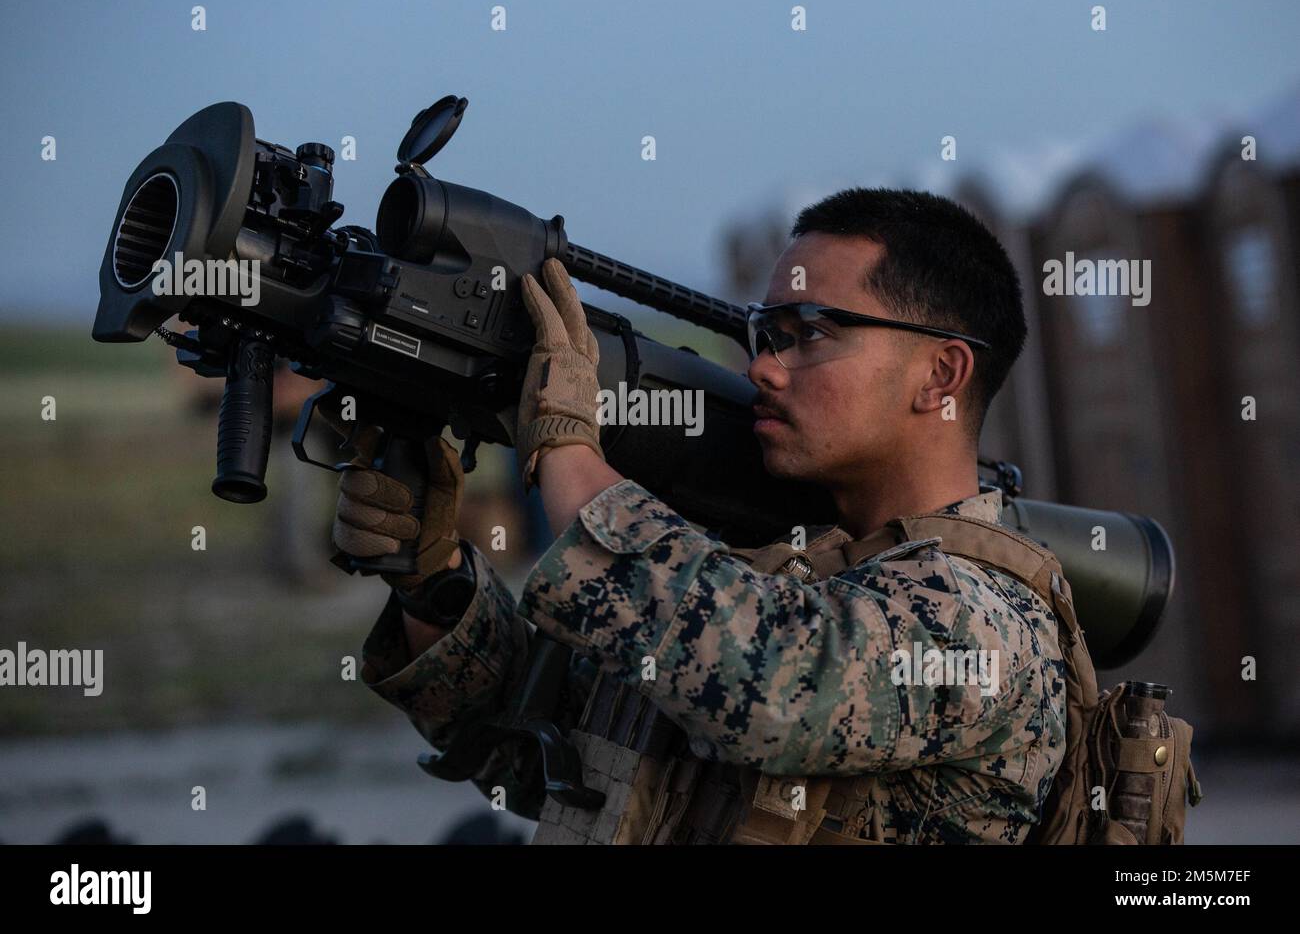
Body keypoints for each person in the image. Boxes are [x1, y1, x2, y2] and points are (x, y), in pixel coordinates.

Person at [337, 188, 1068, 844]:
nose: (764, 368)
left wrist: (567, 445)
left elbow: (780, 690)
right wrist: (430, 583)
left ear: (940, 375)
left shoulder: (984, 621)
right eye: (768, 335)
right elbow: (534, 760)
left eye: (811, 332)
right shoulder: (762, 581)